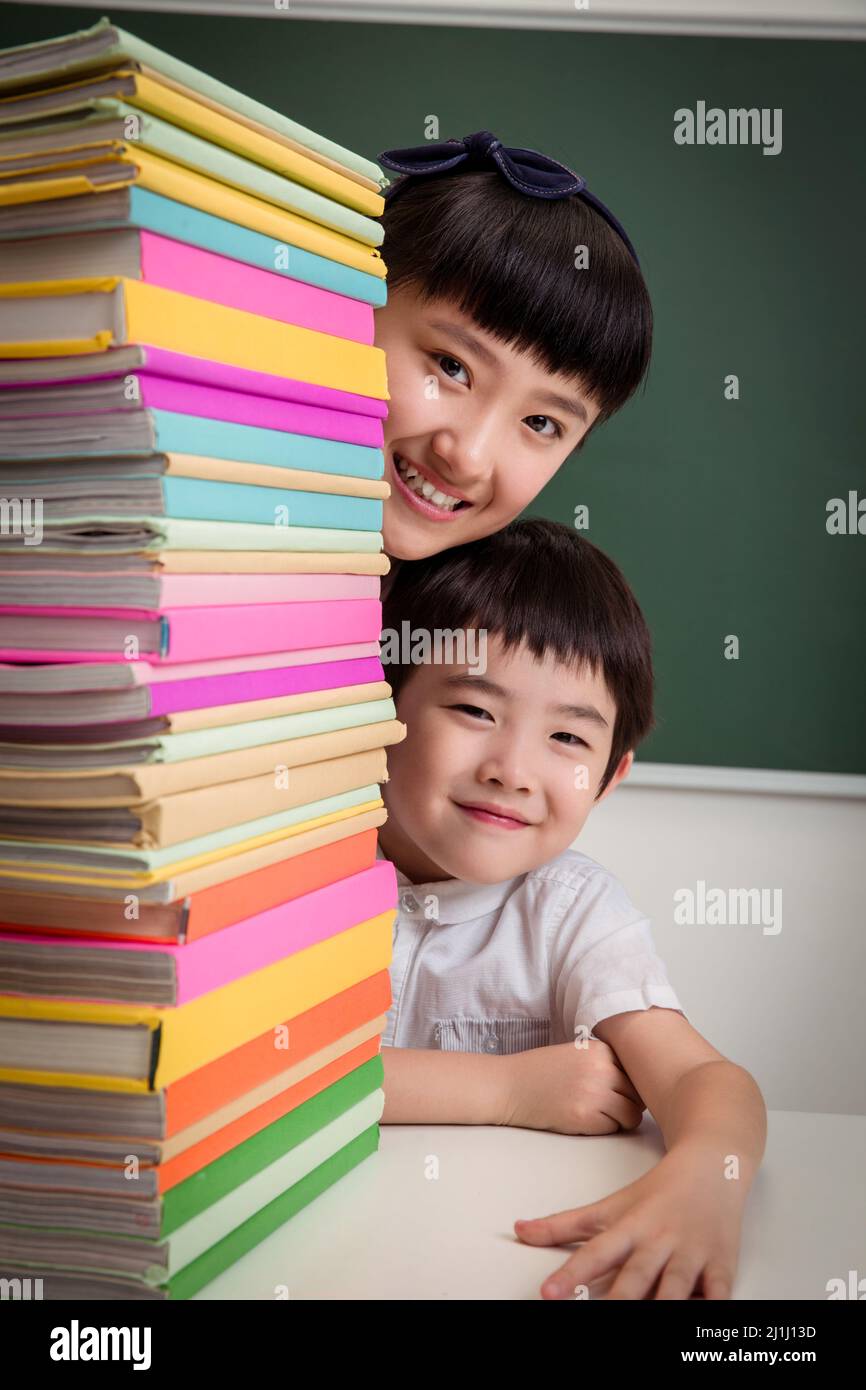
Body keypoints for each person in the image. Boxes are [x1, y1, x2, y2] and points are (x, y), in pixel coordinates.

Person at [375, 518, 767, 1301]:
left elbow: (701, 1077)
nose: (513, 771)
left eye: (566, 737)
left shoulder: (572, 913)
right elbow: (263, 1089)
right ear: (378, 708)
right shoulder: (288, 879)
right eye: (476, 712)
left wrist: (705, 1176)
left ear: (611, 775)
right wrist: (509, 1091)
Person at [373, 132, 652, 582]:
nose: (468, 457)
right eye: (452, 367)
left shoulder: (496, 638)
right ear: (354, 296)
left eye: (541, 423)